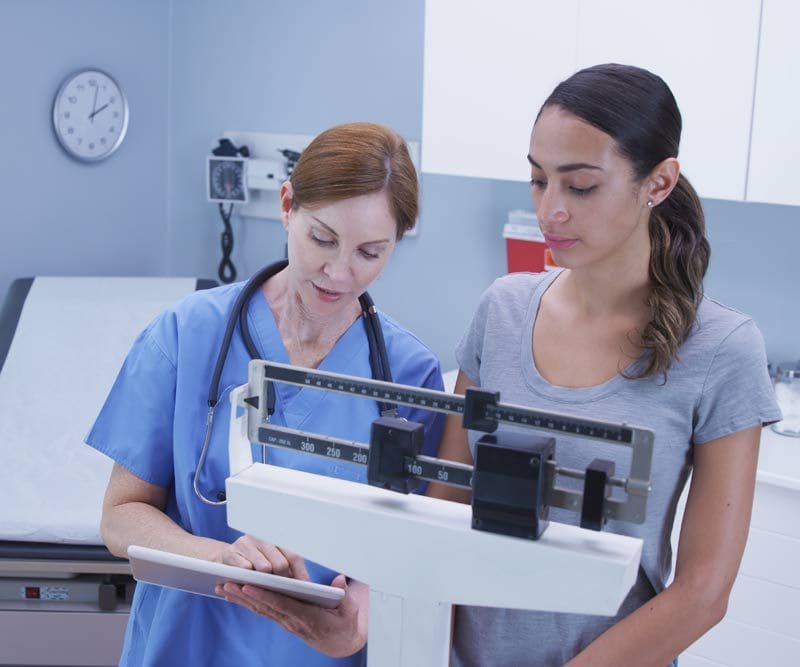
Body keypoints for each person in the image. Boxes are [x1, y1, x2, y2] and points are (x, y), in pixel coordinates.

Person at [429, 64, 781, 667]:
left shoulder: (723, 349)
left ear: (659, 182)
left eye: (581, 186)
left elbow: (703, 593)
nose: (551, 210)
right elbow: (441, 508)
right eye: (538, 180)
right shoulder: (503, 310)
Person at [86, 122, 445, 666]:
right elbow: (121, 515)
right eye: (322, 238)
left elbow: (416, 553)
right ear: (287, 205)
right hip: (186, 648)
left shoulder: (408, 376)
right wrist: (222, 559)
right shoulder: (188, 334)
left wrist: (357, 624)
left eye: (370, 252)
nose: (339, 271)